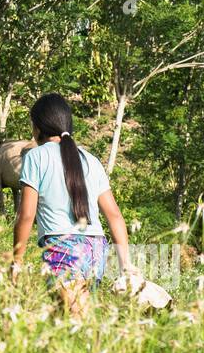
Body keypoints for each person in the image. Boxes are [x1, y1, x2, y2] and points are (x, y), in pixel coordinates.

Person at [12, 92, 140, 317]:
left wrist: (17, 259)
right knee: (66, 322)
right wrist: (125, 263)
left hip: (63, 247)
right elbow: (115, 216)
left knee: (75, 324)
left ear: (38, 127)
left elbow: (26, 215)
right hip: (96, 249)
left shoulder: (35, 157)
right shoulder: (91, 160)